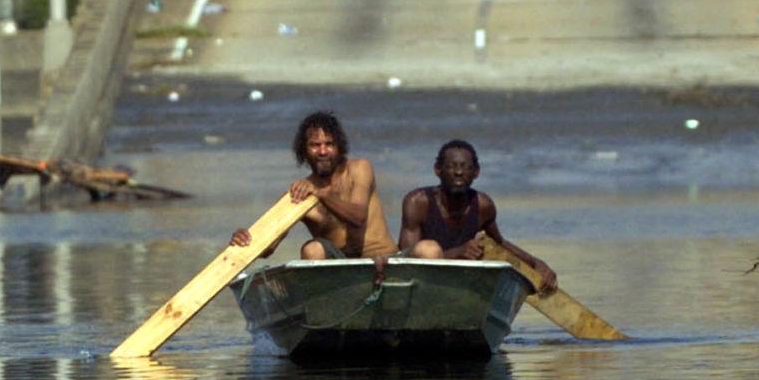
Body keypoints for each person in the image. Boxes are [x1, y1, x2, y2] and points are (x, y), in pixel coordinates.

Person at [230, 111, 398, 264]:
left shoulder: (359, 169)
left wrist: (321, 195)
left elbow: (357, 217)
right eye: (315, 145)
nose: (323, 151)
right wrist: (245, 240)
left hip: (383, 258)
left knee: (425, 248)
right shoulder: (300, 194)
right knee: (312, 249)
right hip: (343, 272)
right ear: (303, 151)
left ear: (339, 147)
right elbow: (268, 248)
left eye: (329, 144)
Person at [398, 140, 558, 293]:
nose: (459, 172)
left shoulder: (483, 205)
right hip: (420, 281)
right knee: (429, 249)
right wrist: (457, 253)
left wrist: (536, 263)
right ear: (437, 170)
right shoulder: (418, 202)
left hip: (457, 282)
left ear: (476, 172)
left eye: (466, 167)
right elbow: (406, 260)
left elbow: (499, 244)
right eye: (451, 167)